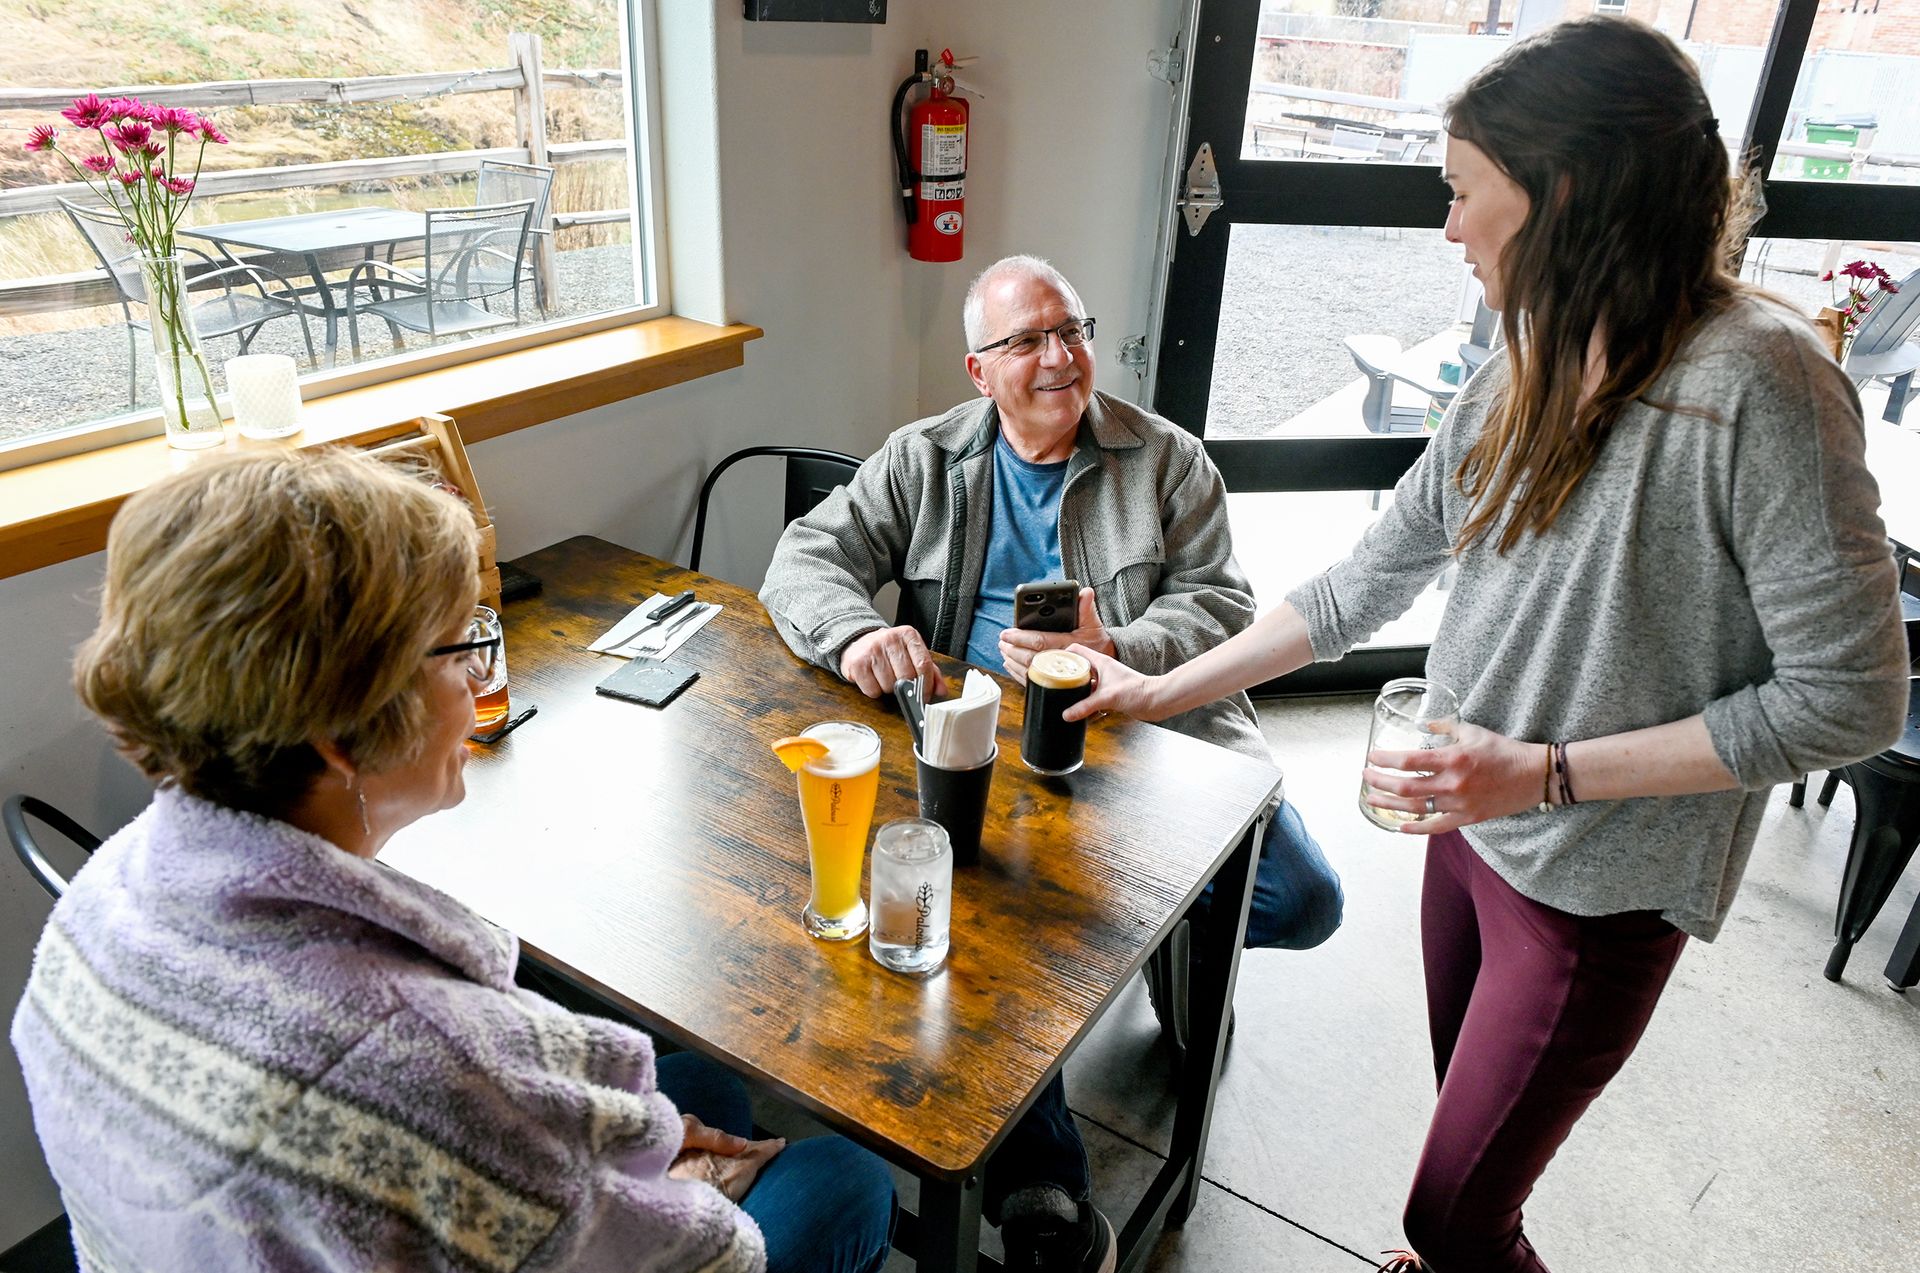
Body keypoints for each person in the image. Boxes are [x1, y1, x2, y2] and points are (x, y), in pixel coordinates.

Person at [1064, 18, 1909, 1273]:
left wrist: (1544, 771)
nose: (1448, 227)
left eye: (1463, 193)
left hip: (1596, 882)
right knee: (1471, 1151)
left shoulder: (1763, 384)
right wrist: (1156, 690)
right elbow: (1364, 582)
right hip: (1461, 834)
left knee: (1447, 1213)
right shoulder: (1524, 358)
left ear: (1563, 192)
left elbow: (1846, 702)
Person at [11, 449, 895, 1273]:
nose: (480, 678)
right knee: (849, 1179)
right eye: (455, 648)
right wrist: (685, 1201)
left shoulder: (98, 902)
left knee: (699, 1083)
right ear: (342, 731)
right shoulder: (428, 1062)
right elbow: (716, 1257)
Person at [760, 254, 1344, 1272]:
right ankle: (1047, 1189)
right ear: (979, 371)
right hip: (980, 743)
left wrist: (1117, 643)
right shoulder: (923, 457)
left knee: (1301, 900)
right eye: (1025, 340)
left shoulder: (1167, 459)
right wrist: (856, 631)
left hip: (1155, 735)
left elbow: (1221, 607)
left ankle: (1165, 945)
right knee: (1001, 941)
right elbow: (804, 560)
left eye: (1069, 329)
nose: (1059, 357)